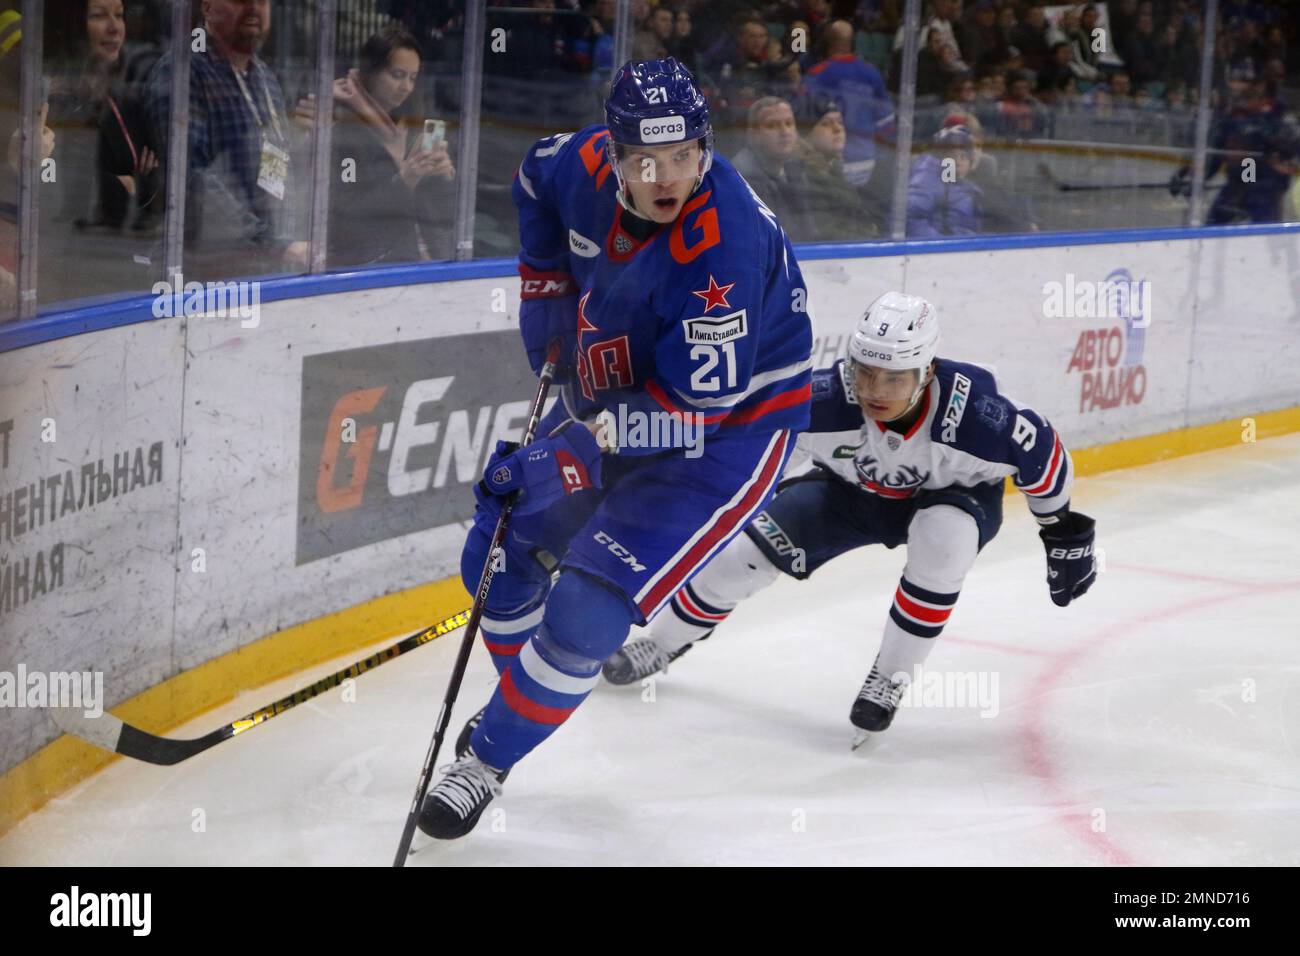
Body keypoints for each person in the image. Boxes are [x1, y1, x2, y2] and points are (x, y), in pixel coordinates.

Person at [417, 58, 814, 840]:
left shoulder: (719, 254)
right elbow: (533, 178)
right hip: (629, 391)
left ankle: (488, 761)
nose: (665, 178)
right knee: (496, 550)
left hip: (729, 432)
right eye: (643, 159)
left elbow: (691, 413)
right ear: (614, 148)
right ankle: (523, 704)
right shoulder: (580, 161)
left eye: (683, 157)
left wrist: (564, 458)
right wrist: (544, 289)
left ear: (705, 148)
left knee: (586, 612)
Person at [604, 291, 1098, 742]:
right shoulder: (823, 401)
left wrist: (1060, 531)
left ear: (926, 372)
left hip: (952, 497)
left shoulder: (977, 419)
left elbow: (1048, 460)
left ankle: (890, 677)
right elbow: (751, 457)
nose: (873, 389)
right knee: (741, 558)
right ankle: (663, 644)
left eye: (893, 377)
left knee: (943, 541)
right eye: (864, 371)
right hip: (849, 494)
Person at [145, 0, 309, 278]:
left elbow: (272, 167)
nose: (254, 7)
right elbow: (192, 179)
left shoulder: (265, 77)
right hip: (205, 275)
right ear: (207, 8)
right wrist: (274, 245)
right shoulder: (184, 71)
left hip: (267, 268)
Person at [324, 25, 455, 266]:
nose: (406, 86)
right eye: (397, 75)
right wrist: (405, 180)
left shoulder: (411, 129)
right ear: (371, 72)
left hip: (419, 260)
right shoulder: (344, 134)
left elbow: (443, 216)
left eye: (412, 78)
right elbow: (345, 218)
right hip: (371, 266)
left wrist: (443, 177)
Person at [731, 96, 818, 241]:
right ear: (753, 134)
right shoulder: (746, 176)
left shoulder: (794, 169)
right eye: (772, 125)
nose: (785, 132)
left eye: (789, 123)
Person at [905, 124, 982, 237]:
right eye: (952, 156)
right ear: (941, 158)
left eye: (963, 157)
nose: (958, 162)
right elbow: (911, 219)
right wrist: (942, 244)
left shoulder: (971, 189)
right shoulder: (926, 181)